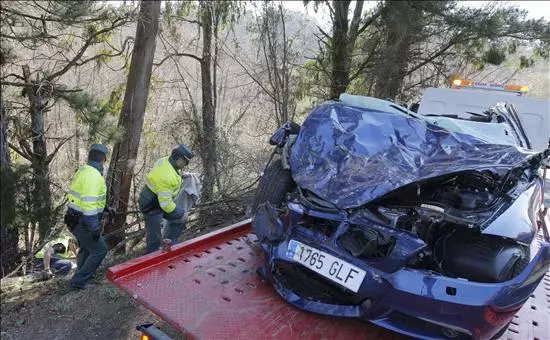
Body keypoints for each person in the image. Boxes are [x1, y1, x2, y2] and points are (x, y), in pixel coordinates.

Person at [64, 144, 112, 289]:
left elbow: (87, 197)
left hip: (76, 219)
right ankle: (77, 282)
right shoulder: (93, 176)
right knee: (100, 250)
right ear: (103, 159)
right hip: (83, 221)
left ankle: (83, 272)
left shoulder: (84, 170)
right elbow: (89, 206)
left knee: (86, 247)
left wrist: (105, 208)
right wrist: (94, 229)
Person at [139, 144, 194, 254]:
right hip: (152, 205)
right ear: (179, 159)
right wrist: (182, 212)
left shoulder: (166, 160)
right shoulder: (166, 176)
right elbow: (166, 205)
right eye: (185, 162)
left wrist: (180, 175)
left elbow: (169, 173)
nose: (185, 165)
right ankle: (150, 262)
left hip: (158, 200)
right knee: (154, 239)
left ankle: (168, 246)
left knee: (179, 220)